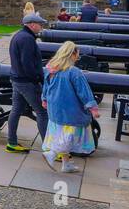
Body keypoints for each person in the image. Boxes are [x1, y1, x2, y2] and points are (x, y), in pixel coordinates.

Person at [41, 40, 100, 172]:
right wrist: (93, 108)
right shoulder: (74, 72)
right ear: (72, 54)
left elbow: (46, 87)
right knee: (70, 136)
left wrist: (44, 99)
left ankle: (66, 164)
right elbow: (84, 92)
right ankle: (52, 153)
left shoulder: (51, 68)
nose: (78, 58)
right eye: (77, 55)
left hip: (55, 107)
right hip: (70, 109)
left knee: (60, 133)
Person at [5, 12, 49, 153]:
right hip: (26, 82)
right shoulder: (27, 39)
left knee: (16, 110)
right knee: (42, 112)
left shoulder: (19, 35)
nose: (41, 27)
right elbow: (27, 64)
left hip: (17, 79)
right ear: (32, 25)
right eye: (40, 25)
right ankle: (49, 149)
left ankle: (11, 143)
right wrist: (37, 80)